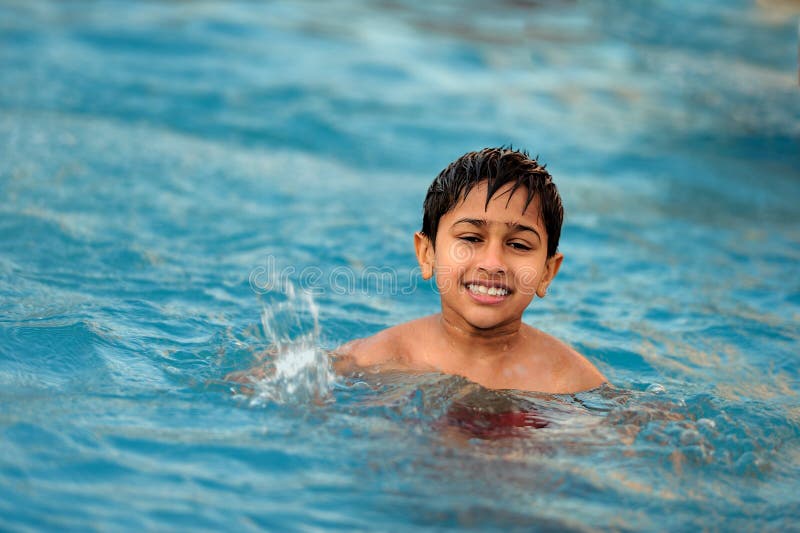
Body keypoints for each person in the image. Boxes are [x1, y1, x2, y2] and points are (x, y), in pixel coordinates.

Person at [334, 147, 607, 394]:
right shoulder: (374, 360)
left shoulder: (570, 382)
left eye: (519, 245)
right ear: (427, 253)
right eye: (471, 239)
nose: (492, 263)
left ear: (548, 272)